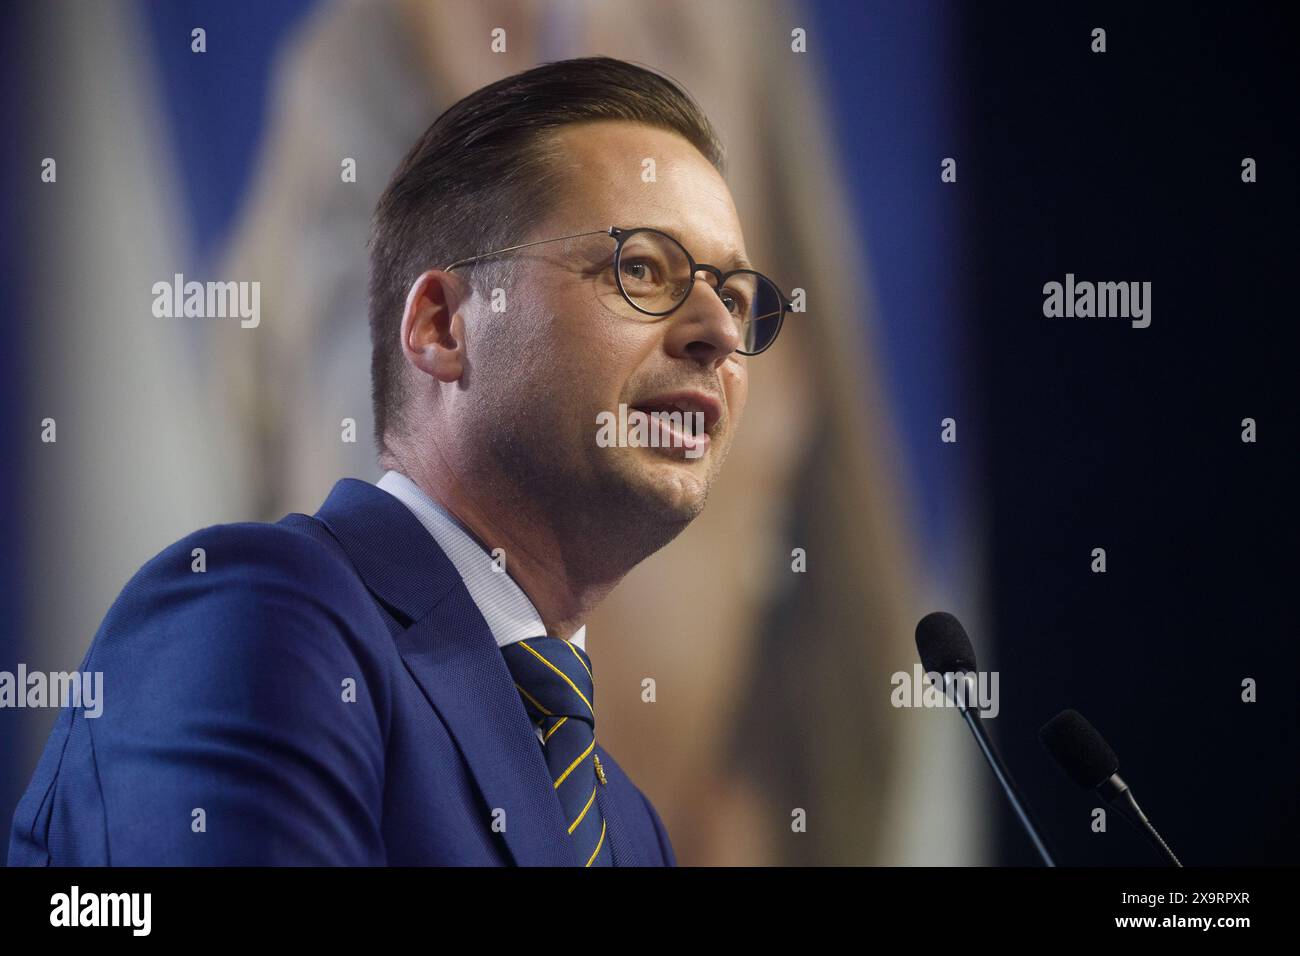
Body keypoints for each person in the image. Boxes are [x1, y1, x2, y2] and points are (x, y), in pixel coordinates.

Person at [8, 56, 795, 866]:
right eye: (641, 270)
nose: (719, 334)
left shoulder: (630, 829)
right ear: (442, 326)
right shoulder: (262, 614)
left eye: (735, 298)